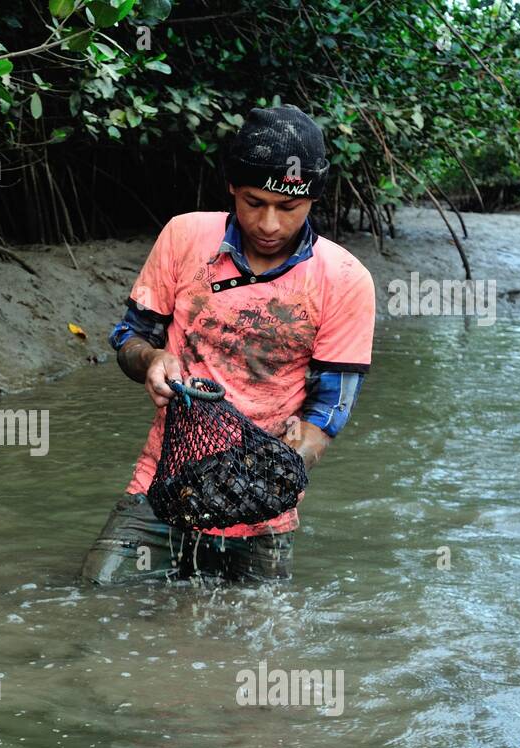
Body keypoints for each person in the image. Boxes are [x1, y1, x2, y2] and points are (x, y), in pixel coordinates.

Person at [81, 104, 375, 585]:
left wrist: (255, 479)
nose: (270, 224)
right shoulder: (184, 237)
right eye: (255, 201)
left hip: (265, 505)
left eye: (290, 207)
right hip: (164, 482)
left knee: (252, 634)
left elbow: (328, 413)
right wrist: (152, 359)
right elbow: (130, 338)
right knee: (98, 593)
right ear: (232, 188)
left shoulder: (345, 279)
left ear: (314, 200)